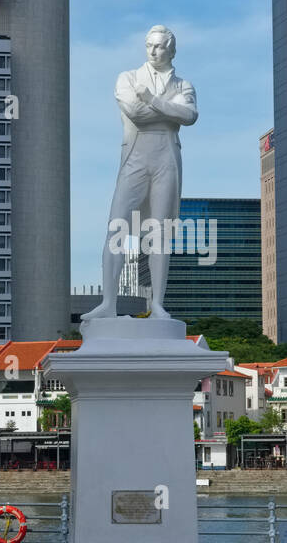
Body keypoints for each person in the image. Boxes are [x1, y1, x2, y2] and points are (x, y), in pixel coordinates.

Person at [81, 25, 199, 321]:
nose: (153, 50)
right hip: (136, 156)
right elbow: (135, 114)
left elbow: (190, 116)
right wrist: (168, 110)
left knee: (161, 234)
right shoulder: (128, 78)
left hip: (166, 160)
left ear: (171, 49)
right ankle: (109, 302)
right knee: (116, 228)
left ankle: (157, 304)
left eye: (159, 46)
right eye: (149, 45)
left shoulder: (184, 84)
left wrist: (152, 100)